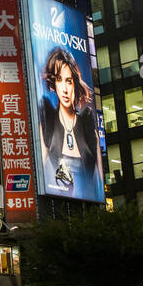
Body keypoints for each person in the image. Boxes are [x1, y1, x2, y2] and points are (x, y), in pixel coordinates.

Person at [38, 47, 103, 201]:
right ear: (54, 83)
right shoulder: (48, 122)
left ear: (75, 84)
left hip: (90, 209)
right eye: (59, 80)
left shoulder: (87, 123)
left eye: (69, 81)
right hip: (56, 206)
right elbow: (38, 173)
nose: (65, 89)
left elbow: (100, 179)